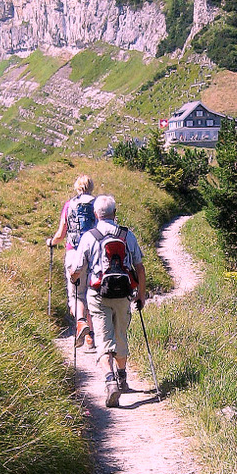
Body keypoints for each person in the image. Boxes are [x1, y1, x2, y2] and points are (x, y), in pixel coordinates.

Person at [69, 194, 147, 408]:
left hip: (98, 294)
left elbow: (77, 269)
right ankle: (122, 377)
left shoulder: (89, 236)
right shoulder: (127, 235)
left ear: (96, 214)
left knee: (103, 339)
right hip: (123, 295)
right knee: (120, 336)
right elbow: (139, 267)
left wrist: (73, 278)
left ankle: (110, 380)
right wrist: (141, 294)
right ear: (115, 213)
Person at [48, 175, 97, 351]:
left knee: (76, 295)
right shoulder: (97, 204)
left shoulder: (69, 205)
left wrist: (51, 242)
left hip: (74, 254)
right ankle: (91, 336)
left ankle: (81, 323)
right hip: (93, 254)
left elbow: (61, 234)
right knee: (91, 293)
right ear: (91, 187)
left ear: (77, 187)